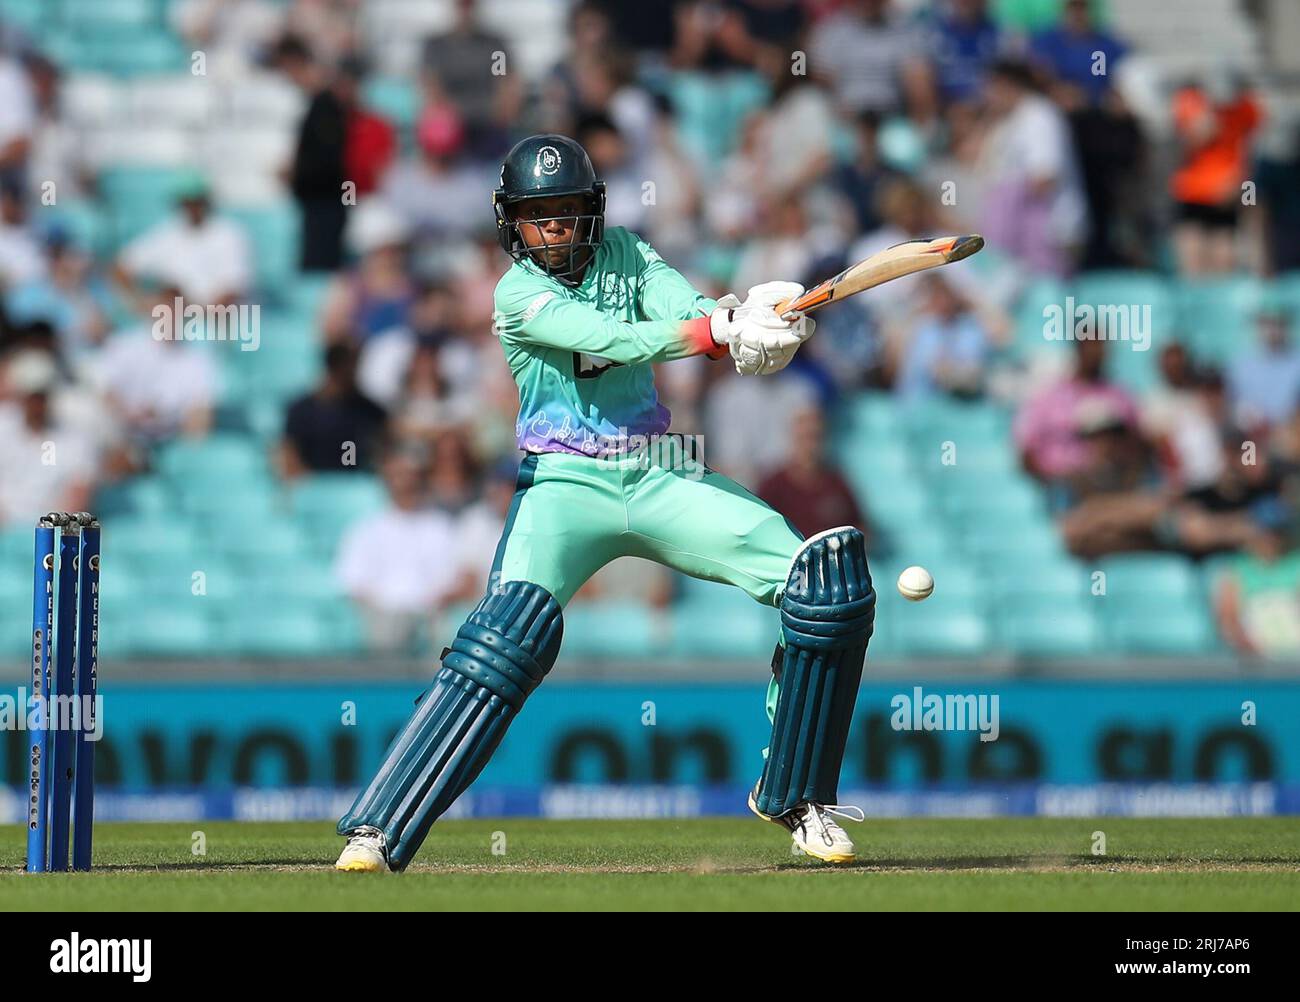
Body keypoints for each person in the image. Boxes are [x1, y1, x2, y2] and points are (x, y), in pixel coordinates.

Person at [335, 134, 874, 873]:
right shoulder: (516, 294)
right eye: (537, 215)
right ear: (511, 223)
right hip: (561, 485)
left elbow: (681, 307)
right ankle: (381, 826)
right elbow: (616, 341)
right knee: (504, 639)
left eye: (566, 212)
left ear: (591, 213)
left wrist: (750, 322)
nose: (553, 228)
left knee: (827, 587)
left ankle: (797, 795)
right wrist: (716, 331)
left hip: (657, 470)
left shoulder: (629, 253)